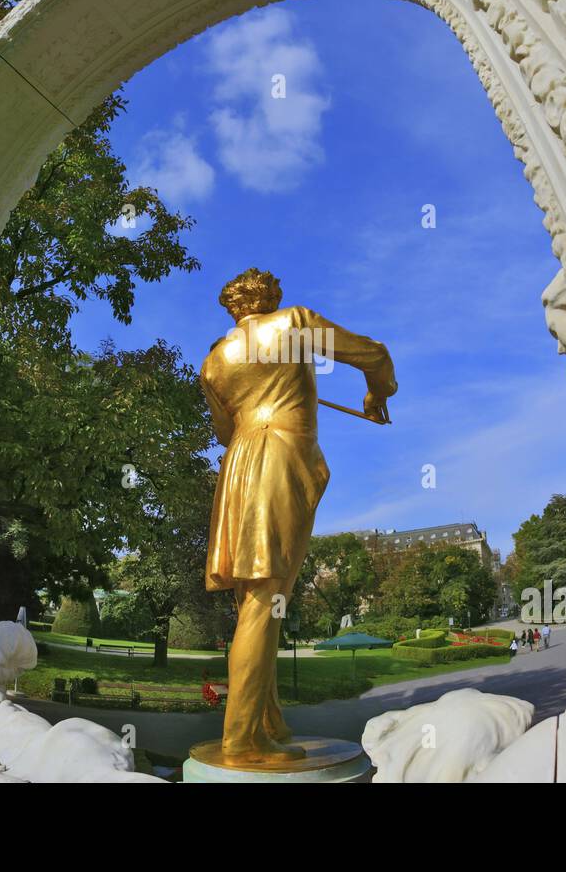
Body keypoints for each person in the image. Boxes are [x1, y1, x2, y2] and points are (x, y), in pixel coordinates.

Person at [201, 268, 396, 766]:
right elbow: (372, 354)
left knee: (253, 599)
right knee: (267, 597)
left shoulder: (215, 362)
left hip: (239, 462)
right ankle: (241, 739)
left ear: (234, 308)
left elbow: (224, 432)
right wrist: (378, 393)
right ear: (270, 297)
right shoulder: (293, 324)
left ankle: (266, 724)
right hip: (279, 456)